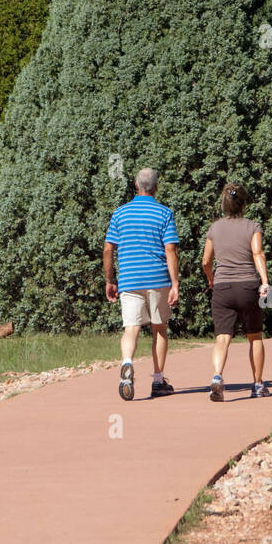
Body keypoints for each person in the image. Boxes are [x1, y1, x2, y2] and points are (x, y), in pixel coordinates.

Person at [103, 167, 179, 401]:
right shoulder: (164, 213)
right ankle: (158, 380)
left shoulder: (120, 214)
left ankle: (127, 365)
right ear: (156, 187)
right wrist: (175, 283)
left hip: (129, 279)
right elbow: (170, 249)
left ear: (136, 185)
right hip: (157, 279)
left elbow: (108, 248)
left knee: (131, 328)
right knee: (159, 327)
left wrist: (109, 279)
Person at [202, 183, 271, 401]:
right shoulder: (253, 226)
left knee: (222, 338)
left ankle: (217, 376)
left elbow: (205, 261)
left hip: (222, 288)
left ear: (224, 204)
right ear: (244, 203)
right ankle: (258, 384)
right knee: (255, 337)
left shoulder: (214, 228)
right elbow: (258, 253)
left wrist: (212, 280)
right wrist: (265, 281)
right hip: (248, 287)